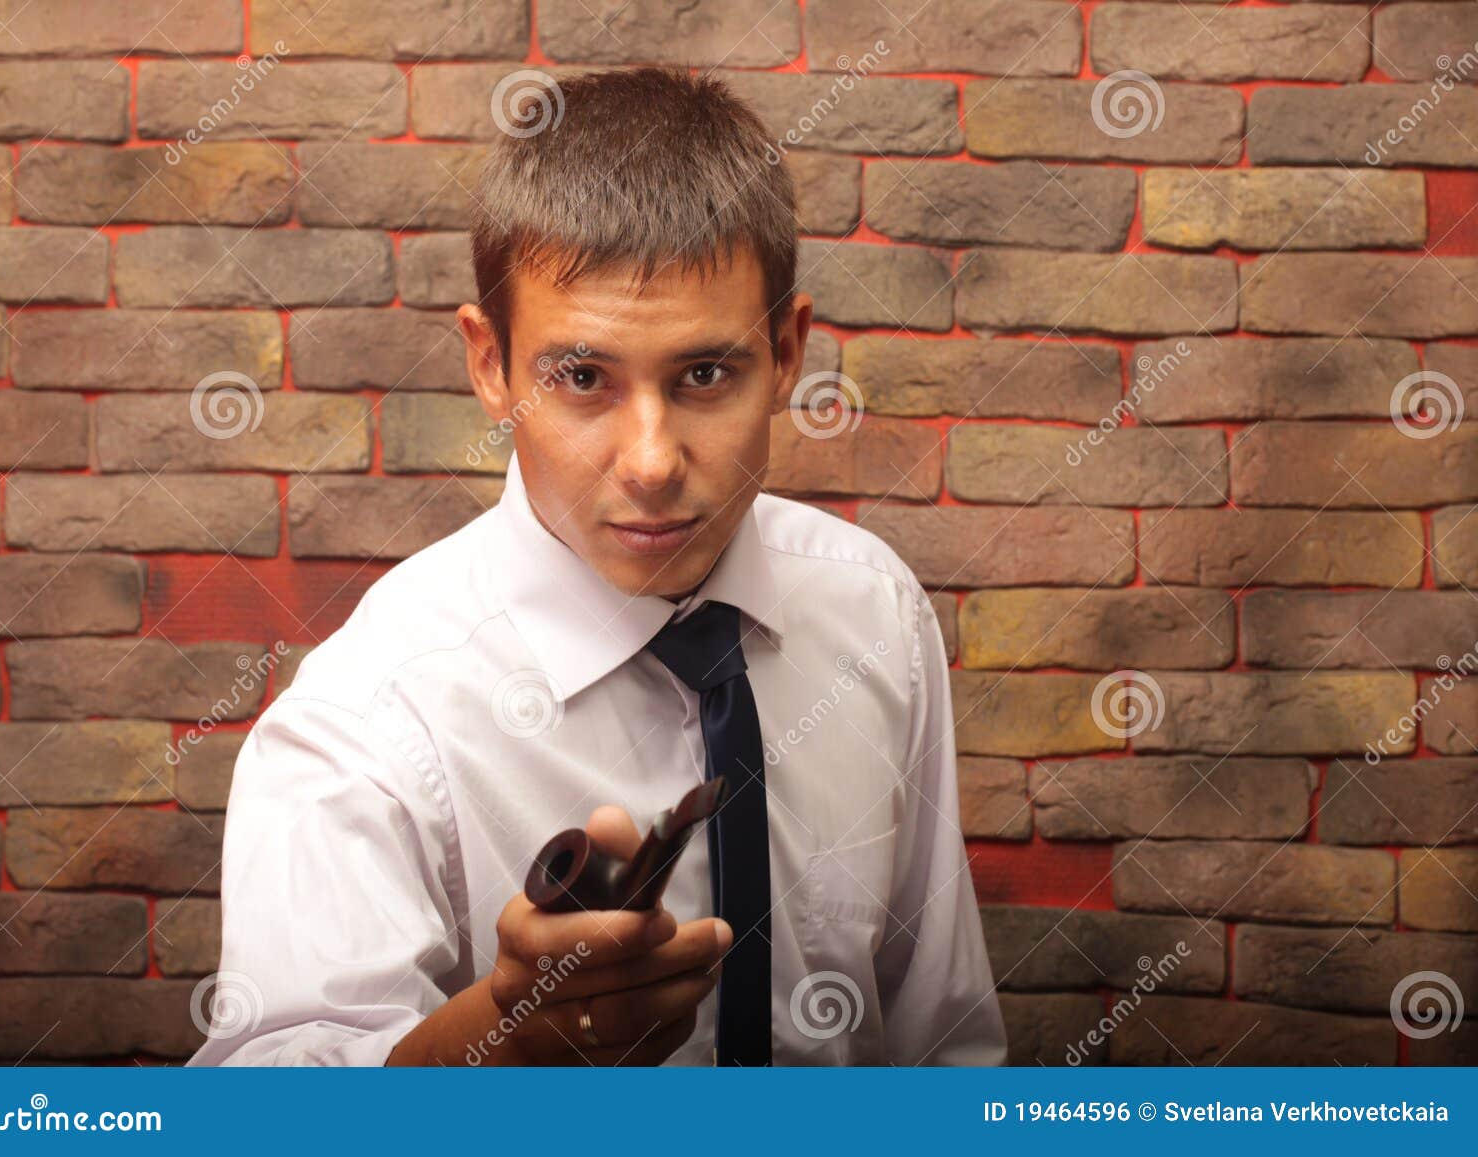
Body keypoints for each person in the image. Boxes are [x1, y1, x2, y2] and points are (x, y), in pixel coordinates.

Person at [189, 66, 1006, 1067]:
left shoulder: (872, 609)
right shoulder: (363, 721)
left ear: (788, 352)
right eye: (582, 378)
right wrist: (495, 1049)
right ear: (491, 366)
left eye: (705, 374)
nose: (653, 462)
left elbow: (943, 1042)